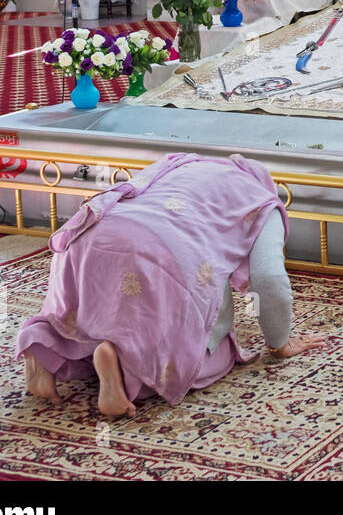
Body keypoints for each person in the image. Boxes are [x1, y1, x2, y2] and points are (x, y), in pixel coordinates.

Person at [17, 152, 325, 417]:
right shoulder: (262, 201)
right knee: (204, 359)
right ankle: (118, 373)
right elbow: (269, 278)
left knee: (82, 314)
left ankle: (41, 345)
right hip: (161, 249)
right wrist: (279, 341)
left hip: (92, 229)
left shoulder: (179, 164)